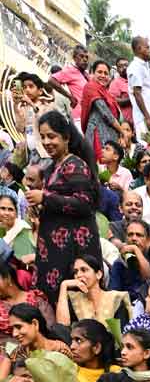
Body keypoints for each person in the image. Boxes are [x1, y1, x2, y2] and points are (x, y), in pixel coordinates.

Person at [26, 110, 101, 306]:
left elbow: (84, 203)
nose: (46, 141)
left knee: (73, 306)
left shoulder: (75, 165)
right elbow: (58, 204)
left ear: (66, 137)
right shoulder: (52, 167)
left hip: (72, 252)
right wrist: (39, 207)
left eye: (52, 136)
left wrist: (45, 197)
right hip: (52, 252)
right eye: (42, 137)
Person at [56, 253, 130, 328]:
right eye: (75, 272)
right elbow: (62, 326)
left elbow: (122, 334)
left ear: (98, 274)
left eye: (84, 270)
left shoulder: (115, 298)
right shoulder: (74, 299)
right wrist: (64, 285)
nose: (78, 275)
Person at [80, 59, 122, 159]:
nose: (103, 76)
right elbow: (106, 113)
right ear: (92, 73)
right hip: (97, 136)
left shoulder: (107, 93)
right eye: (99, 72)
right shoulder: (90, 87)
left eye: (106, 73)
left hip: (110, 137)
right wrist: (122, 131)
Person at [69, 317, 120, 382]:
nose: (72, 346)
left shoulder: (116, 373)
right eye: (72, 341)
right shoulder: (71, 372)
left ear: (96, 347)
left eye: (79, 341)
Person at [127, 35, 150, 141]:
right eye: (147, 47)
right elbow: (137, 93)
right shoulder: (135, 67)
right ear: (139, 49)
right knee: (146, 150)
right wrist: (147, 117)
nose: (149, 50)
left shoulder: (144, 66)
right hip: (145, 119)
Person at [48, 44, 88, 123]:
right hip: (79, 117)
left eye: (86, 57)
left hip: (88, 116)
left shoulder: (86, 74)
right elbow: (51, 80)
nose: (84, 59)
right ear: (75, 58)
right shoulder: (70, 70)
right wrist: (70, 97)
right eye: (81, 56)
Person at [109, 56, 133, 126]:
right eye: (121, 66)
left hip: (139, 120)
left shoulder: (134, 80)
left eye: (126, 65)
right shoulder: (115, 83)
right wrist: (133, 98)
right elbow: (114, 101)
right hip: (126, 123)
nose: (124, 68)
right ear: (117, 70)